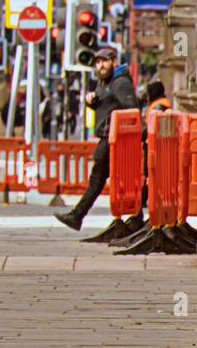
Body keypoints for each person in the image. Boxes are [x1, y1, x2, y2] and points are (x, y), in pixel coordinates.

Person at [55, 48, 140, 230]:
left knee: (102, 179)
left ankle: (77, 216)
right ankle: (135, 217)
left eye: (104, 61)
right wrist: (91, 102)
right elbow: (107, 107)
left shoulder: (120, 83)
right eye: (98, 62)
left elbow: (132, 109)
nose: (100, 66)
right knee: (117, 180)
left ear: (113, 62)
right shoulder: (104, 82)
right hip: (107, 138)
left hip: (114, 140)